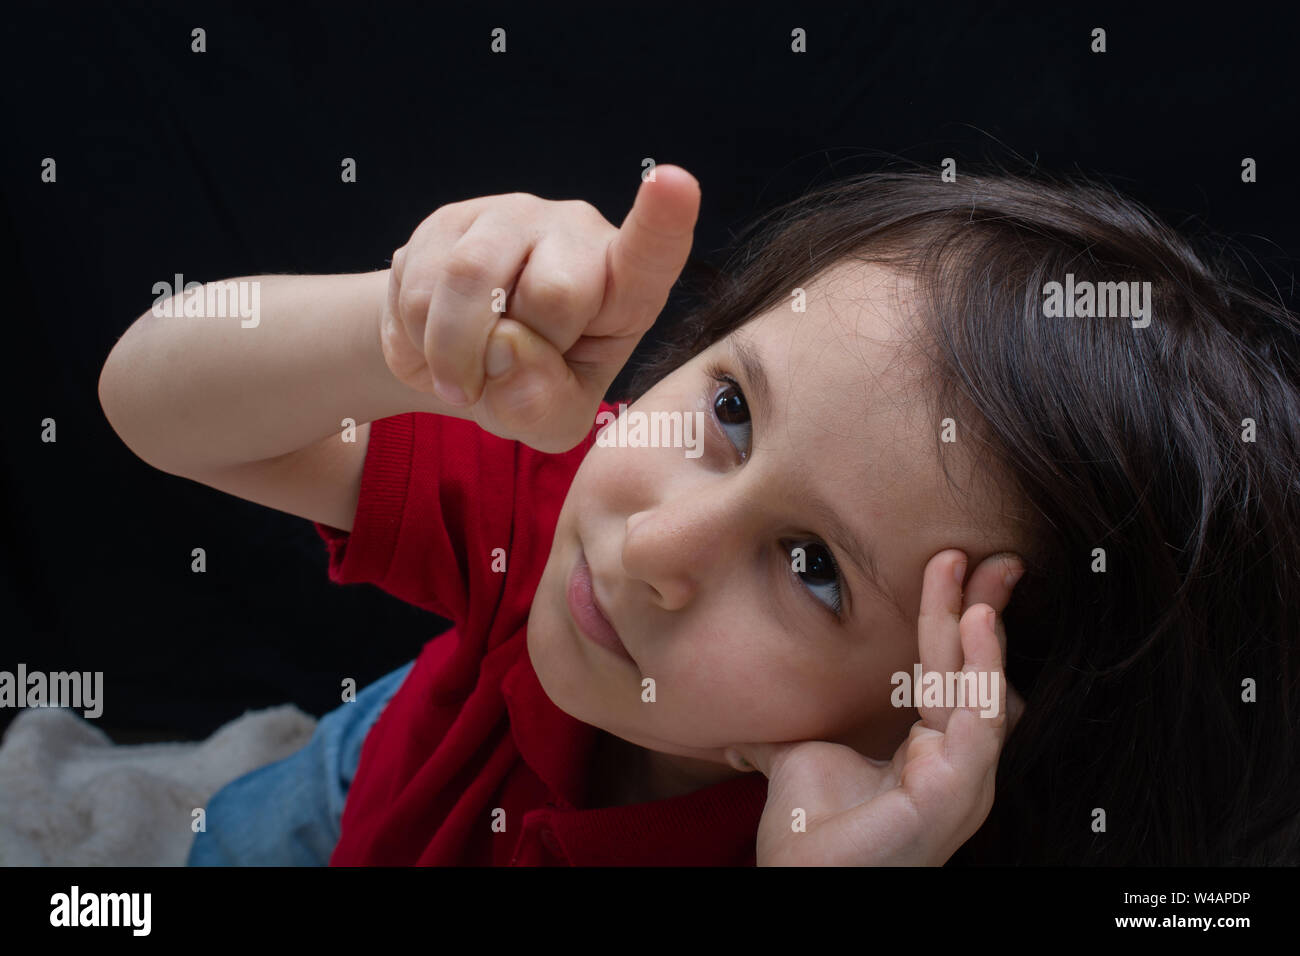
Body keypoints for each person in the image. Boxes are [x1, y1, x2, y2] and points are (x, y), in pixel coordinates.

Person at [98, 162, 1300, 865]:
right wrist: (402, 338)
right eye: (729, 408)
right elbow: (154, 404)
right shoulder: (562, 476)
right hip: (360, 794)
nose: (652, 543)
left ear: (938, 719)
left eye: (812, 566)